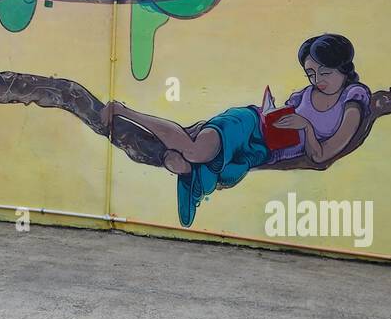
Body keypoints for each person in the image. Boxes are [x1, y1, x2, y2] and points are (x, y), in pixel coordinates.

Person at [103, 33, 370, 227]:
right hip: (249, 123)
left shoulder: (352, 101)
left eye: (324, 72)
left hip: (262, 151)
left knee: (217, 171)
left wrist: (308, 127)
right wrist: (272, 112)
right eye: (311, 74)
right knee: (196, 151)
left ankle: (184, 169)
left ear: (343, 68)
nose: (317, 80)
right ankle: (125, 111)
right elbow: (282, 117)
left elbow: (321, 155)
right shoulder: (304, 95)